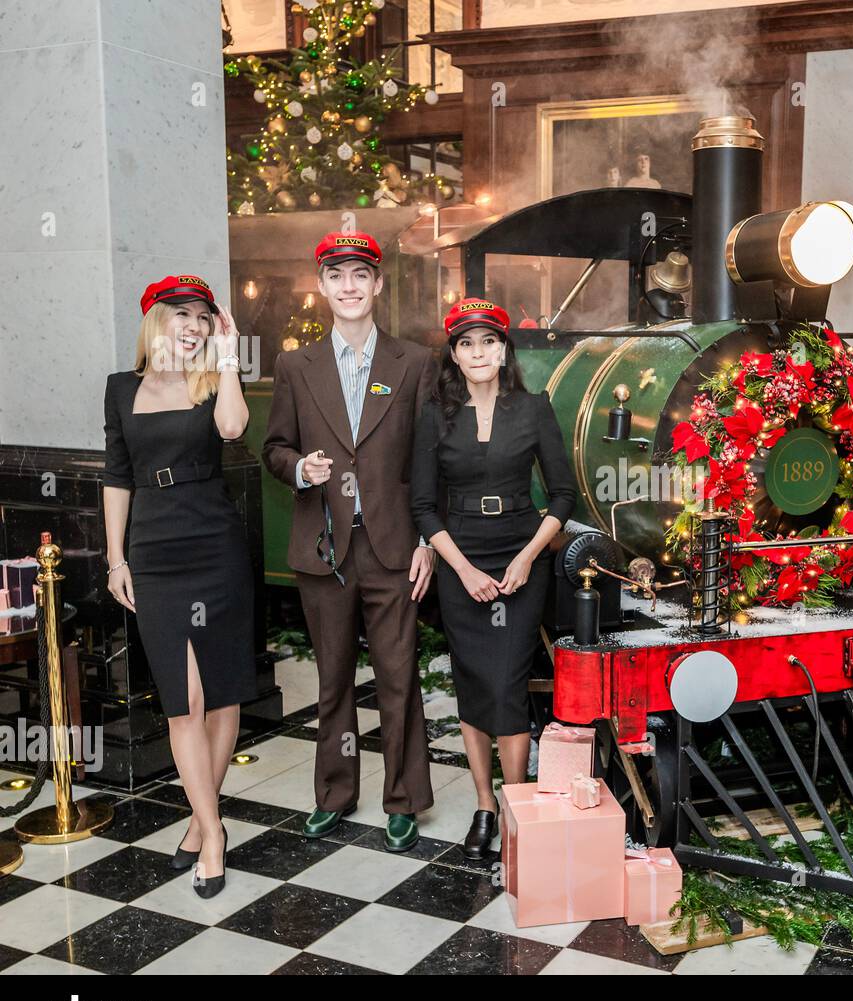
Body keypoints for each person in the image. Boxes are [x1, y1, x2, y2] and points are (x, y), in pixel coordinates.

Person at [262, 232, 436, 852]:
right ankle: (335, 794)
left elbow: (427, 461)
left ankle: (404, 799)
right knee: (332, 678)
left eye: (360, 275)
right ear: (323, 287)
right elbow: (274, 446)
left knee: (398, 676)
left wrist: (428, 541)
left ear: (378, 285)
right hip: (324, 549)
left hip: (393, 546)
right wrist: (297, 469)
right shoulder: (295, 365)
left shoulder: (414, 363)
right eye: (337, 276)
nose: (349, 287)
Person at [103, 275, 255, 899]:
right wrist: (115, 558)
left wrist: (228, 355)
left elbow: (232, 429)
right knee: (182, 699)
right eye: (179, 314)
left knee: (220, 693)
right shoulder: (120, 388)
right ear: (153, 321)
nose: (190, 325)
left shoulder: (213, 379)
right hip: (155, 552)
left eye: (200, 315)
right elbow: (117, 474)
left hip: (214, 544)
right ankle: (213, 828)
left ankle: (202, 824)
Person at [410, 299, 577, 858]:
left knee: (507, 682)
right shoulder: (435, 414)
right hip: (461, 558)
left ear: (504, 350)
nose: (478, 352)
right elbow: (423, 505)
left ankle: (516, 803)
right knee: (474, 681)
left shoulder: (533, 408)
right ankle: (485, 804)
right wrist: (460, 569)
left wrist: (528, 557)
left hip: (520, 554)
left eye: (488, 342)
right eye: (466, 344)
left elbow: (561, 495)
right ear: (453, 356)